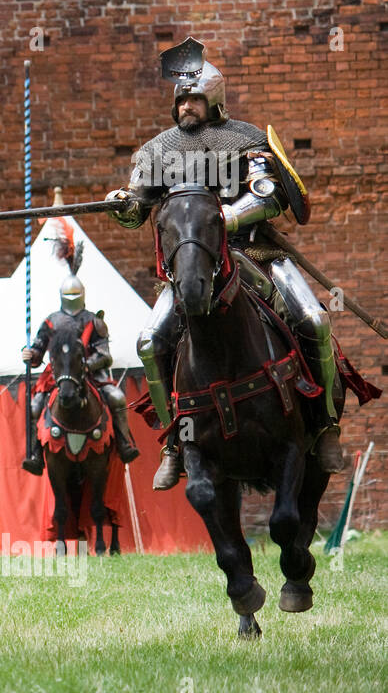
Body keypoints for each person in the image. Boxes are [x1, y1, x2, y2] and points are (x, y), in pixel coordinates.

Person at [106, 36, 344, 489]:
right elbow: (138, 209)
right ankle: (175, 444)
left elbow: (269, 195)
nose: (185, 106)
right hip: (192, 267)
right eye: (180, 99)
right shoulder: (158, 151)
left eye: (193, 98)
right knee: (149, 342)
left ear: (213, 99)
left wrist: (224, 218)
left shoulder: (245, 138)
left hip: (255, 252)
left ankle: (326, 424)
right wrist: (120, 203)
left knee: (313, 319)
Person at [20, 273, 140, 474]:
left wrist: (85, 366)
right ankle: (35, 454)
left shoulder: (94, 321)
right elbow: (39, 351)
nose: (73, 296)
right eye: (69, 293)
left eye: (76, 293)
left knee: (117, 397)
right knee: (34, 406)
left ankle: (124, 443)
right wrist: (29, 353)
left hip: (89, 374)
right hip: (57, 375)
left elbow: (104, 354)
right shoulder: (51, 321)